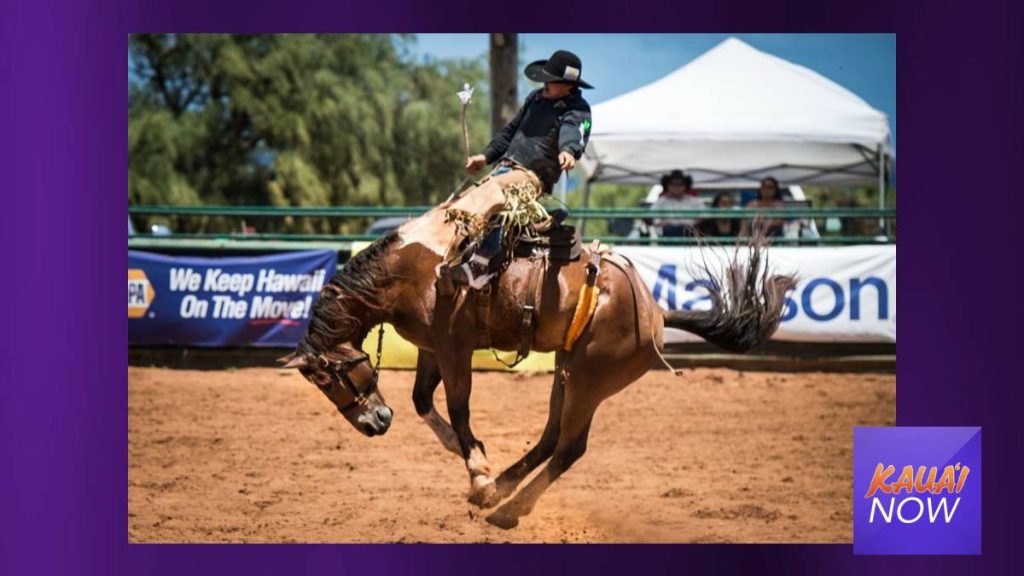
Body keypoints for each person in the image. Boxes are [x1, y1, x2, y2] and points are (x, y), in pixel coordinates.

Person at [448, 50, 594, 288]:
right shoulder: (535, 99)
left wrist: (568, 150)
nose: (544, 83)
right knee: (464, 201)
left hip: (532, 177)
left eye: (551, 80)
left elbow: (574, 130)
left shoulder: (578, 109)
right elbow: (509, 132)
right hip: (504, 169)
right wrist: (484, 157)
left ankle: (481, 263)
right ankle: (455, 255)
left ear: (567, 86)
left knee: (495, 193)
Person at [651, 170, 703, 237]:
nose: (676, 187)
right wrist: (659, 222)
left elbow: (704, 215)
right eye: (673, 184)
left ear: (685, 186)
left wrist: (695, 223)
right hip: (668, 232)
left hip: (689, 232)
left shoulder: (695, 201)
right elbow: (653, 214)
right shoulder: (661, 201)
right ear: (667, 186)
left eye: (680, 184)